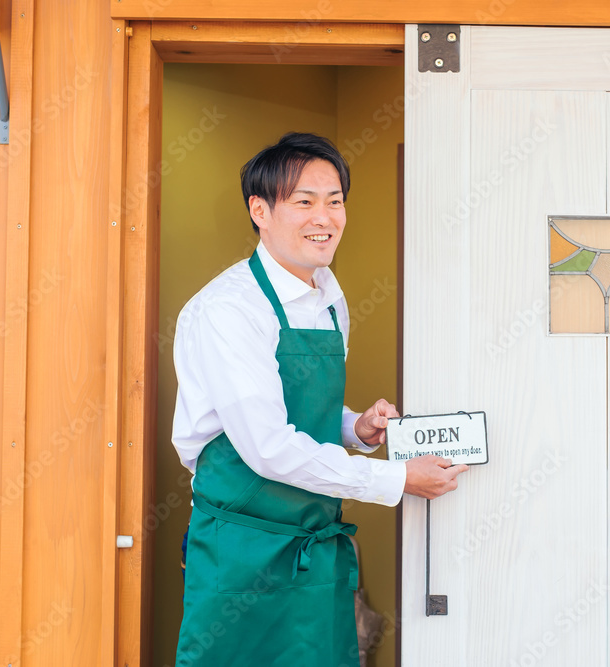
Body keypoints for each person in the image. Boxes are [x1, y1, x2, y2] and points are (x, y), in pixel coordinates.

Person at [171, 132, 468, 666]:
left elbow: (296, 412)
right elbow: (266, 446)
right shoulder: (228, 310)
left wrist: (356, 427)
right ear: (259, 210)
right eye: (304, 201)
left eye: (334, 201)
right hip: (243, 553)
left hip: (315, 550)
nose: (324, 217)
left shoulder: (329, 295)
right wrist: (397, 479)